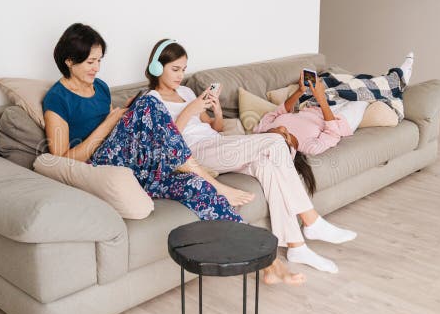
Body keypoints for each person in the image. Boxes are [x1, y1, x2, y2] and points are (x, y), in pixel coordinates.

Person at [145, 39, 358, 278]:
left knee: (269, 163)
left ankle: (297, 247)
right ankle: (311, 220)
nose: (180, 76)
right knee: (276, 142)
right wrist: (190, 109)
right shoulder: (150, 100)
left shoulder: (185, 91)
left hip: (217, 143)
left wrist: (214, 111)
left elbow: (215, 128)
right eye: (175, 69)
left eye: (183, 69)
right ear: (156, 67)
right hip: (194, 153)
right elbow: (167, 141)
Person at [42, 23, 252, 225]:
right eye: (90, 62)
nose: (96, 68)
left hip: (132, 160)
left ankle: (249, 246)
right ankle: (217, 184)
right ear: (69, 61)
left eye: (99, 61)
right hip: (99, 164)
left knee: (194, 184)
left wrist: (127, 115)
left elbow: (117, 135)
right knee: (150, 101)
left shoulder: (100, 87)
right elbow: (62, 159)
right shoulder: (57, 98)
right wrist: (110, 122)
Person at [254, 54, 415, 157]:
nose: (282, 127)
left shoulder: (262, 129)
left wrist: (300, 91)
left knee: (345, 89)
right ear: (288, 146)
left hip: (314, 107)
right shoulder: (309, 147)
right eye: (284, 134)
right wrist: (322, 100)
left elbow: (281, 110)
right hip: (341, 122)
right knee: (361, 97)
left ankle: (388, 79)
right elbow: (333, 133)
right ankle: (397, 79)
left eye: (277, 129)